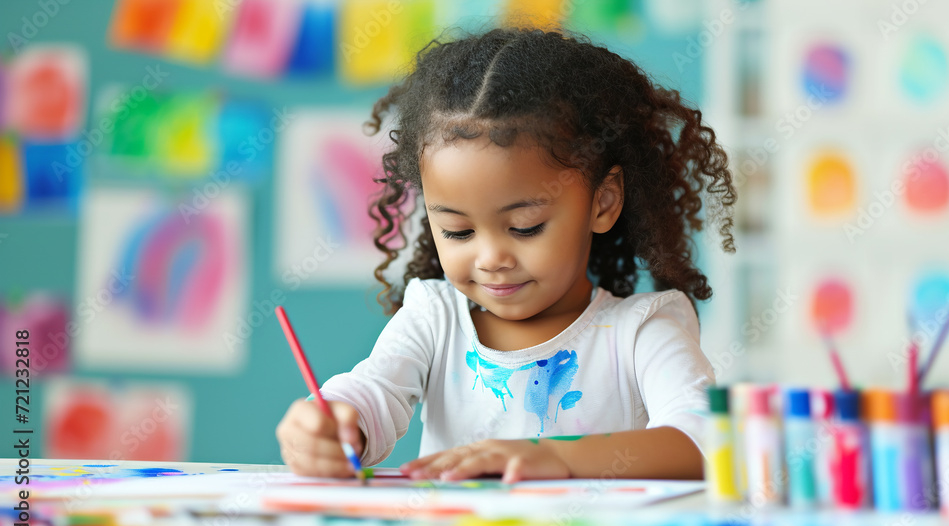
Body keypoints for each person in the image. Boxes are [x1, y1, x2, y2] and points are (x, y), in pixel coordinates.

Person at [276, 27, 736, 483]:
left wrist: (556, 457)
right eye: (458, 231)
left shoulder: (641, 331)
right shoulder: (433, 320)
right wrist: (331, 426)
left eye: (524, 227)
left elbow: (706, 441)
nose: (491, 257)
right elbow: (370, 395)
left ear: (604, 201)